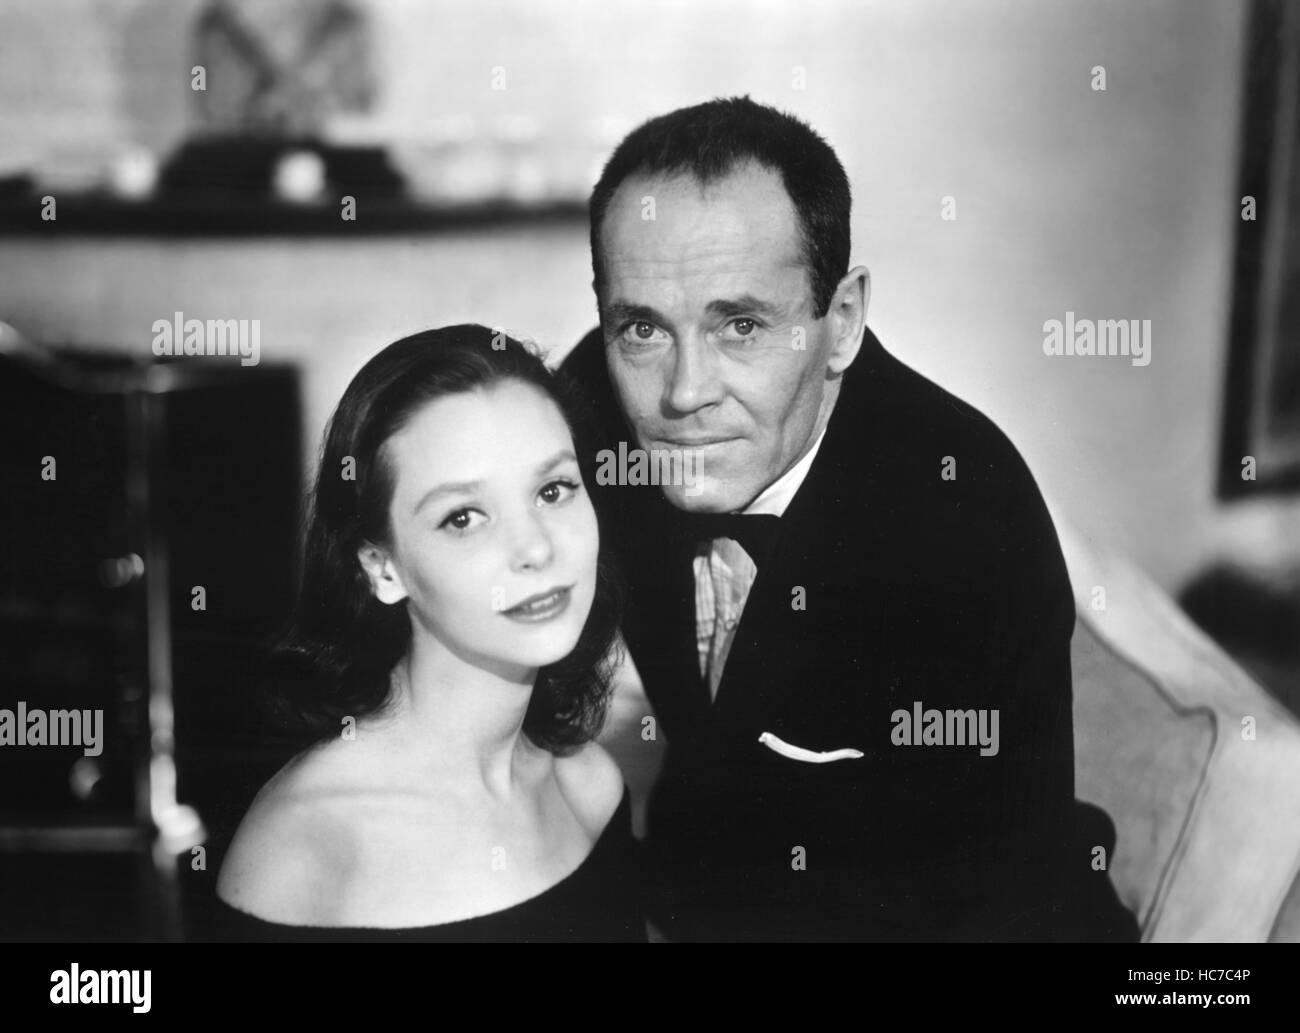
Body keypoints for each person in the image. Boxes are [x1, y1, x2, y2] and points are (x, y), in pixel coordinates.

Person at [560, 96, 1140, 941]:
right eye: (643, 327)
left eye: (743, 325)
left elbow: (986, 900)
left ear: (841, 323)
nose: (684, 394)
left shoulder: (960, 518)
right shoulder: (592, 414)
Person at [213, 325, 643, 941]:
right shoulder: (306, 854)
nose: (534, 548)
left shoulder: (589, 787)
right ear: (381, 568)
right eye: (463, 518)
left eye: (553, 490)